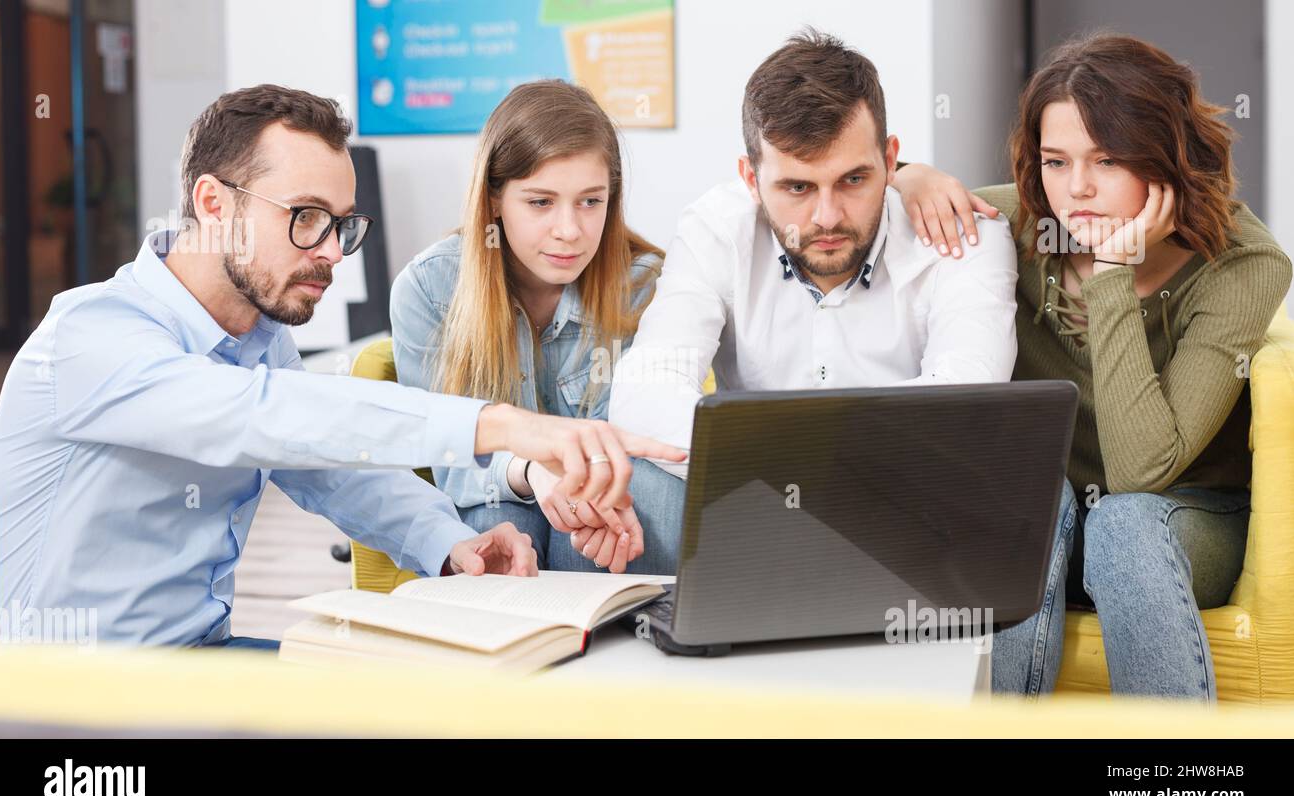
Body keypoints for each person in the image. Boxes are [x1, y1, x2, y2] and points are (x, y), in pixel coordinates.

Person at [0, 85, 683, 649]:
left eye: (343, 224)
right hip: (70, 698)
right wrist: (504, 427)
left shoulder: (261, 340)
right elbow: (268, 414)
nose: (331, 251)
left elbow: (334, 468)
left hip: (203, 662)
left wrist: (452, 544)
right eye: (305, 217)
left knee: (424, 708)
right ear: (214, 204)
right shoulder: (91, 337)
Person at [891, 33, 1292, 701]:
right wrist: (913, 178)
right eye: (1055, 160)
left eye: (1108, 158)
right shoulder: (1020, 225)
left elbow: (1140, 471)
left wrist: (1111, 274)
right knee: (1034, 500)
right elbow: (899, 196)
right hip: (1049, 529)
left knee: (1124, 519)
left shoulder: (1244, 264)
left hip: (1179, 526)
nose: (1076, 189)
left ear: (1169, 154)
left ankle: (1168, 773)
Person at [609, 29, 1019, 559]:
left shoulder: (965, 236)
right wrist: (791, 461)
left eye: (853, 180)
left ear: (892, 161)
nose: (827, 217)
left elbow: (965, 405)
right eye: (798, 187)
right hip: (757, 507)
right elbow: (644, 391)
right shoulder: (718, 227)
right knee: (634, 479)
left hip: (907, 509)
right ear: (750, 179)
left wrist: (780, 449)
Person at [391, 80, 671, 575]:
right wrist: (529, 470)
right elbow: (447, 456)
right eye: (540, 202)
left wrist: (580, 481)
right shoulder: (430, 287)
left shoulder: (643, 284)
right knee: (495, 515)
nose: (570, 229)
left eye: (590, 201)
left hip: (601, 498)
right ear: (495, 199)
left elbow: (635, 443)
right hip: (497, 494)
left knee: (587, 526)